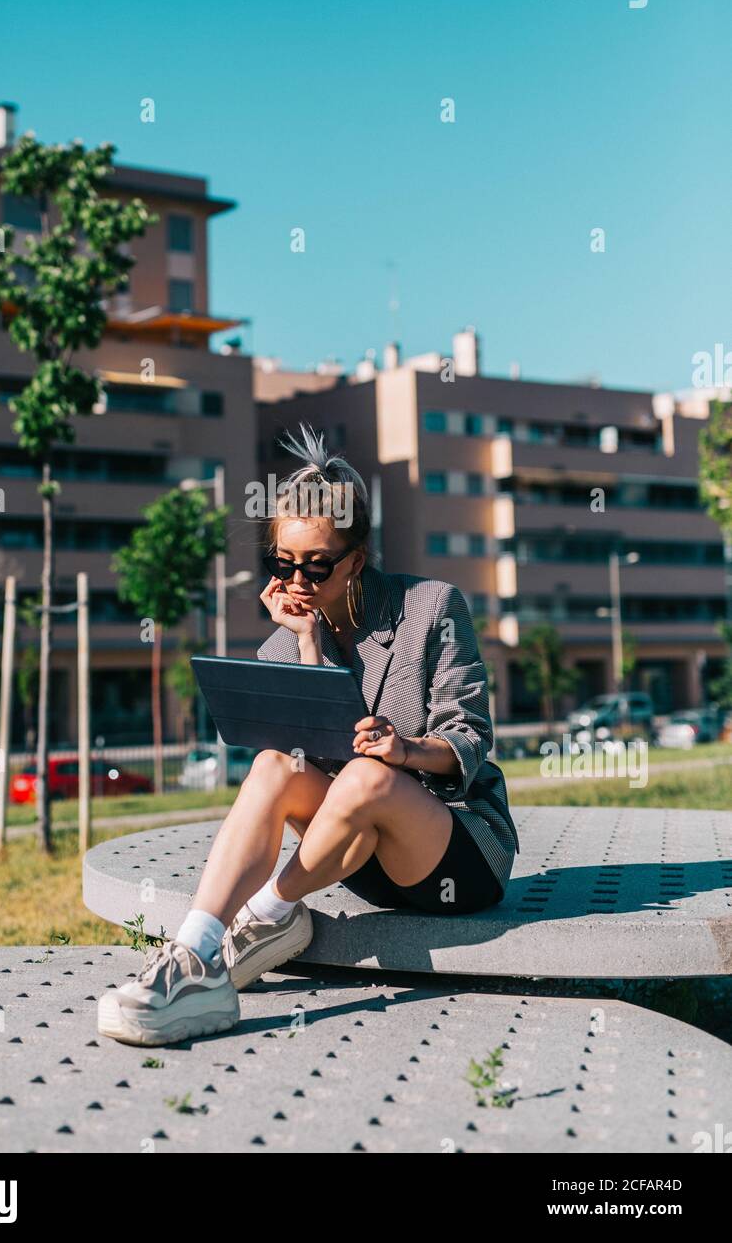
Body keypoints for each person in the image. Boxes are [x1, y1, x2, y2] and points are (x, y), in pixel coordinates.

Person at [98, 423, 519, 1047]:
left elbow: (469, 738)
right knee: (273, 765)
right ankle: (193, 952)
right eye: (283, 563)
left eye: (317, 566)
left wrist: (402, 750)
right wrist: (305, 643)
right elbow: (307, 756)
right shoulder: (284, 642)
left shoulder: (431, 606)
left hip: (455, 854)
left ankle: (267, 913)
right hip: (354, 856)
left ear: (358, 556)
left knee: (369, 776)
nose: (298, 581)